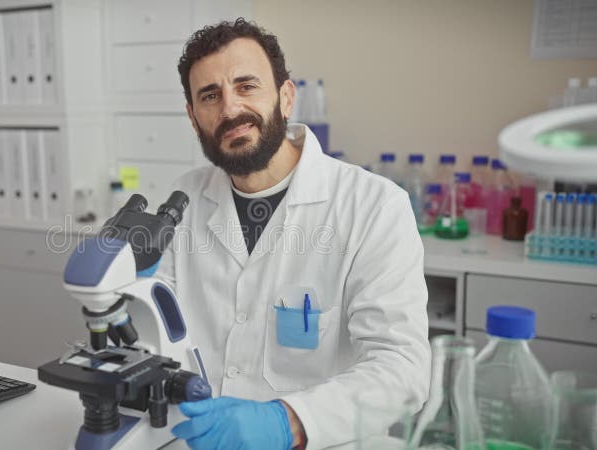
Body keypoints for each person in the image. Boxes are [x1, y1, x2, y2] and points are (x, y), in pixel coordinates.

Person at [156, 18, 430, 450]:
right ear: (193, 118)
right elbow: (155, 328)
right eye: (210, 96)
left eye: (247, 86)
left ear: (285, 97)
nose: (230, 109)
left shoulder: (374, 206)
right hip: (198, 438)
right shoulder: (183, 198)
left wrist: (288, 422)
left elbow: (401, 368)